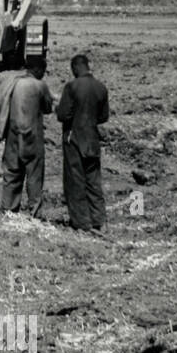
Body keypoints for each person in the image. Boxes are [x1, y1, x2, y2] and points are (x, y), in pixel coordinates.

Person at [0, 59, 54, 217]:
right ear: (38, 70)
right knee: (34, 176)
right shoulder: (40, 85)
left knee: (11, 174)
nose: (44, 74)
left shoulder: (13, 83)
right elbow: (48, 108)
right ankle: (35, 213)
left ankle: (8, 211)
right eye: (43, 70)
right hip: (32, 137)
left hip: (13, 135)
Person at [56, 53, 110, 231]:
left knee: (75, 181)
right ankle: (98, 219)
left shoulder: (72, 87)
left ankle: (81, 223)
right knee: (93, 181)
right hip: (93, 139)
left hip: (74, 139)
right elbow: (103, 117)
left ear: (75, 68)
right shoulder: (101, 88)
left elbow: (63, 115)